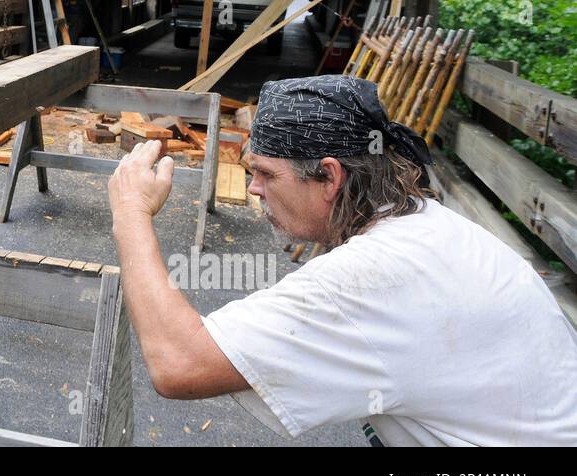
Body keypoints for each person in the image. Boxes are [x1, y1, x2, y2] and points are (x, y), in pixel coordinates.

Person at [108, 74, 577, 446]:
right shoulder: (429, 224)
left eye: (266, 173)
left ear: (329, 177)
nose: (253, 189)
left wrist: (131, 213)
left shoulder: (374, 276)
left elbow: (178, 363)